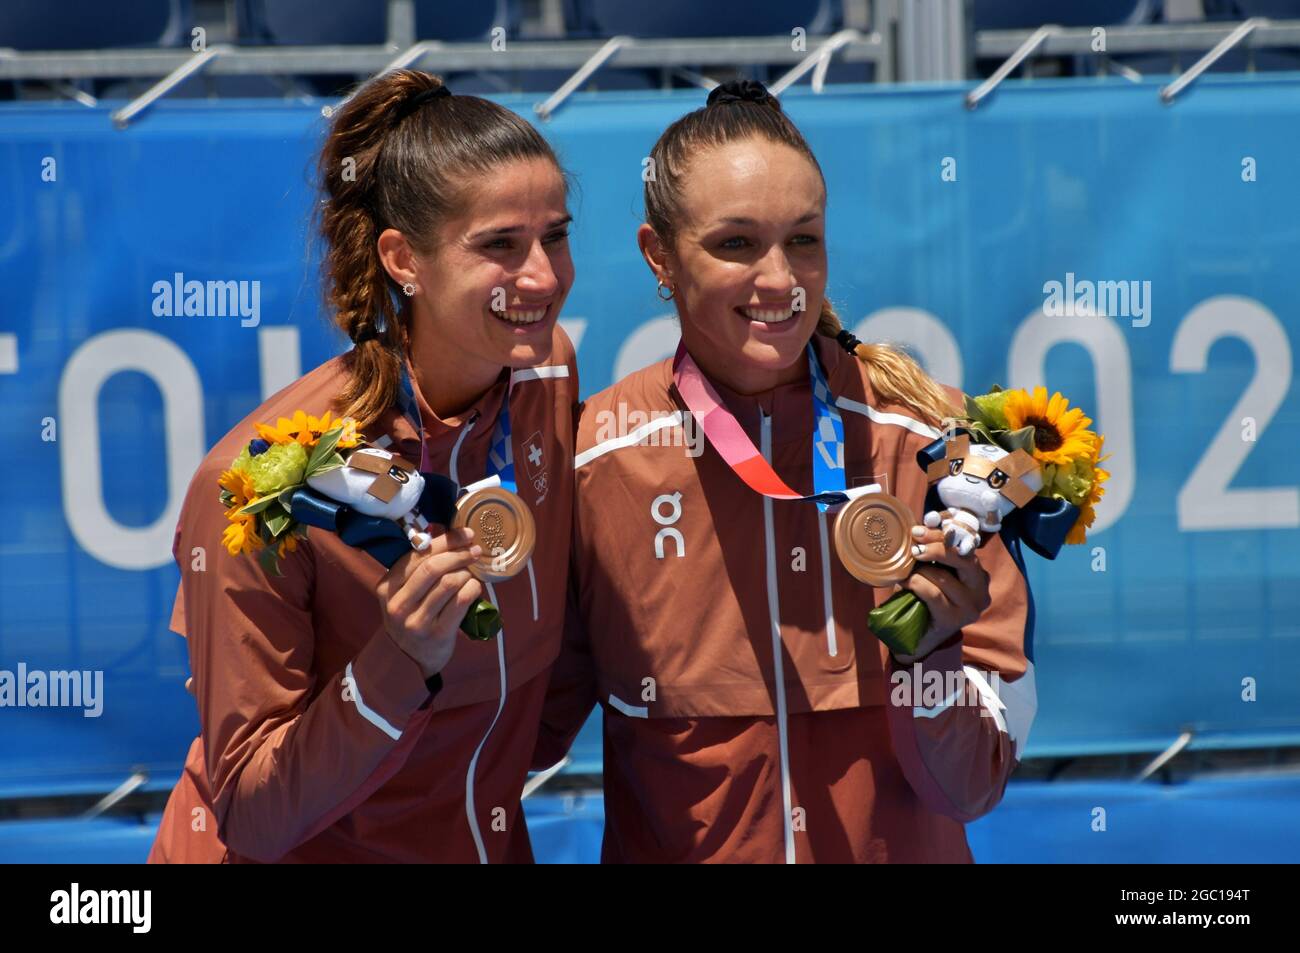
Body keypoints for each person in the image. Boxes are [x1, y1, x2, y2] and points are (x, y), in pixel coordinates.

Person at [534, 79, 1036, 863]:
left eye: (803, 240)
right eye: (736, 244)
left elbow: (970, 788)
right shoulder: (596, 458)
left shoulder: (943, 448)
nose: (780, 279)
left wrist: (928, 659)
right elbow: (515, 740)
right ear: (658, 256)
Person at [149, 70, 578, 863]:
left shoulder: (548, 374)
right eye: (500, 246)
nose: (545, 278)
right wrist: (400, 661)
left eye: (555, 234)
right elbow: (249, 811)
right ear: (403, 259)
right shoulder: (270, 476)